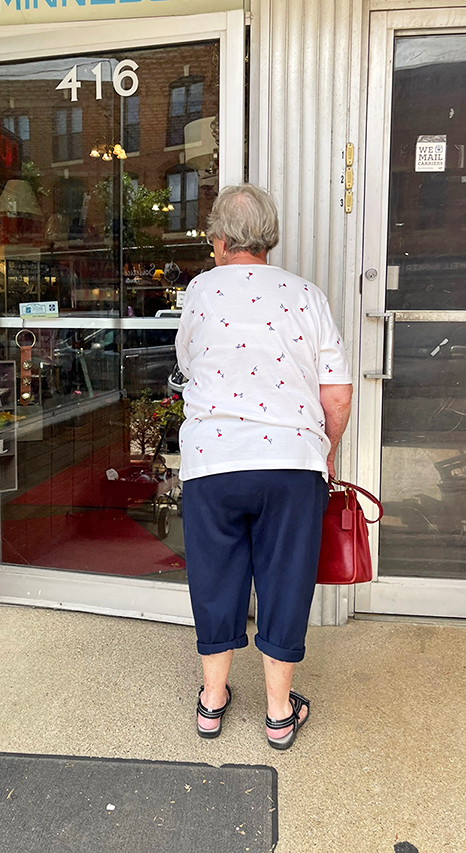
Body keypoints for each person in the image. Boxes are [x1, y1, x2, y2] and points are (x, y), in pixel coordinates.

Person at [175, 184, 353, 749]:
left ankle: (212, 702)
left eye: (211, 236)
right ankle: (279, 714)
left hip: (213, 461)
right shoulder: (306, 295)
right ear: (267, 237)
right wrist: (325, 449)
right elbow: (338, 393)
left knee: (214, 576)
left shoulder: (200, 291)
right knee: (285, 579)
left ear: (222, 238)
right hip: (290, 461)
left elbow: (188, 364)